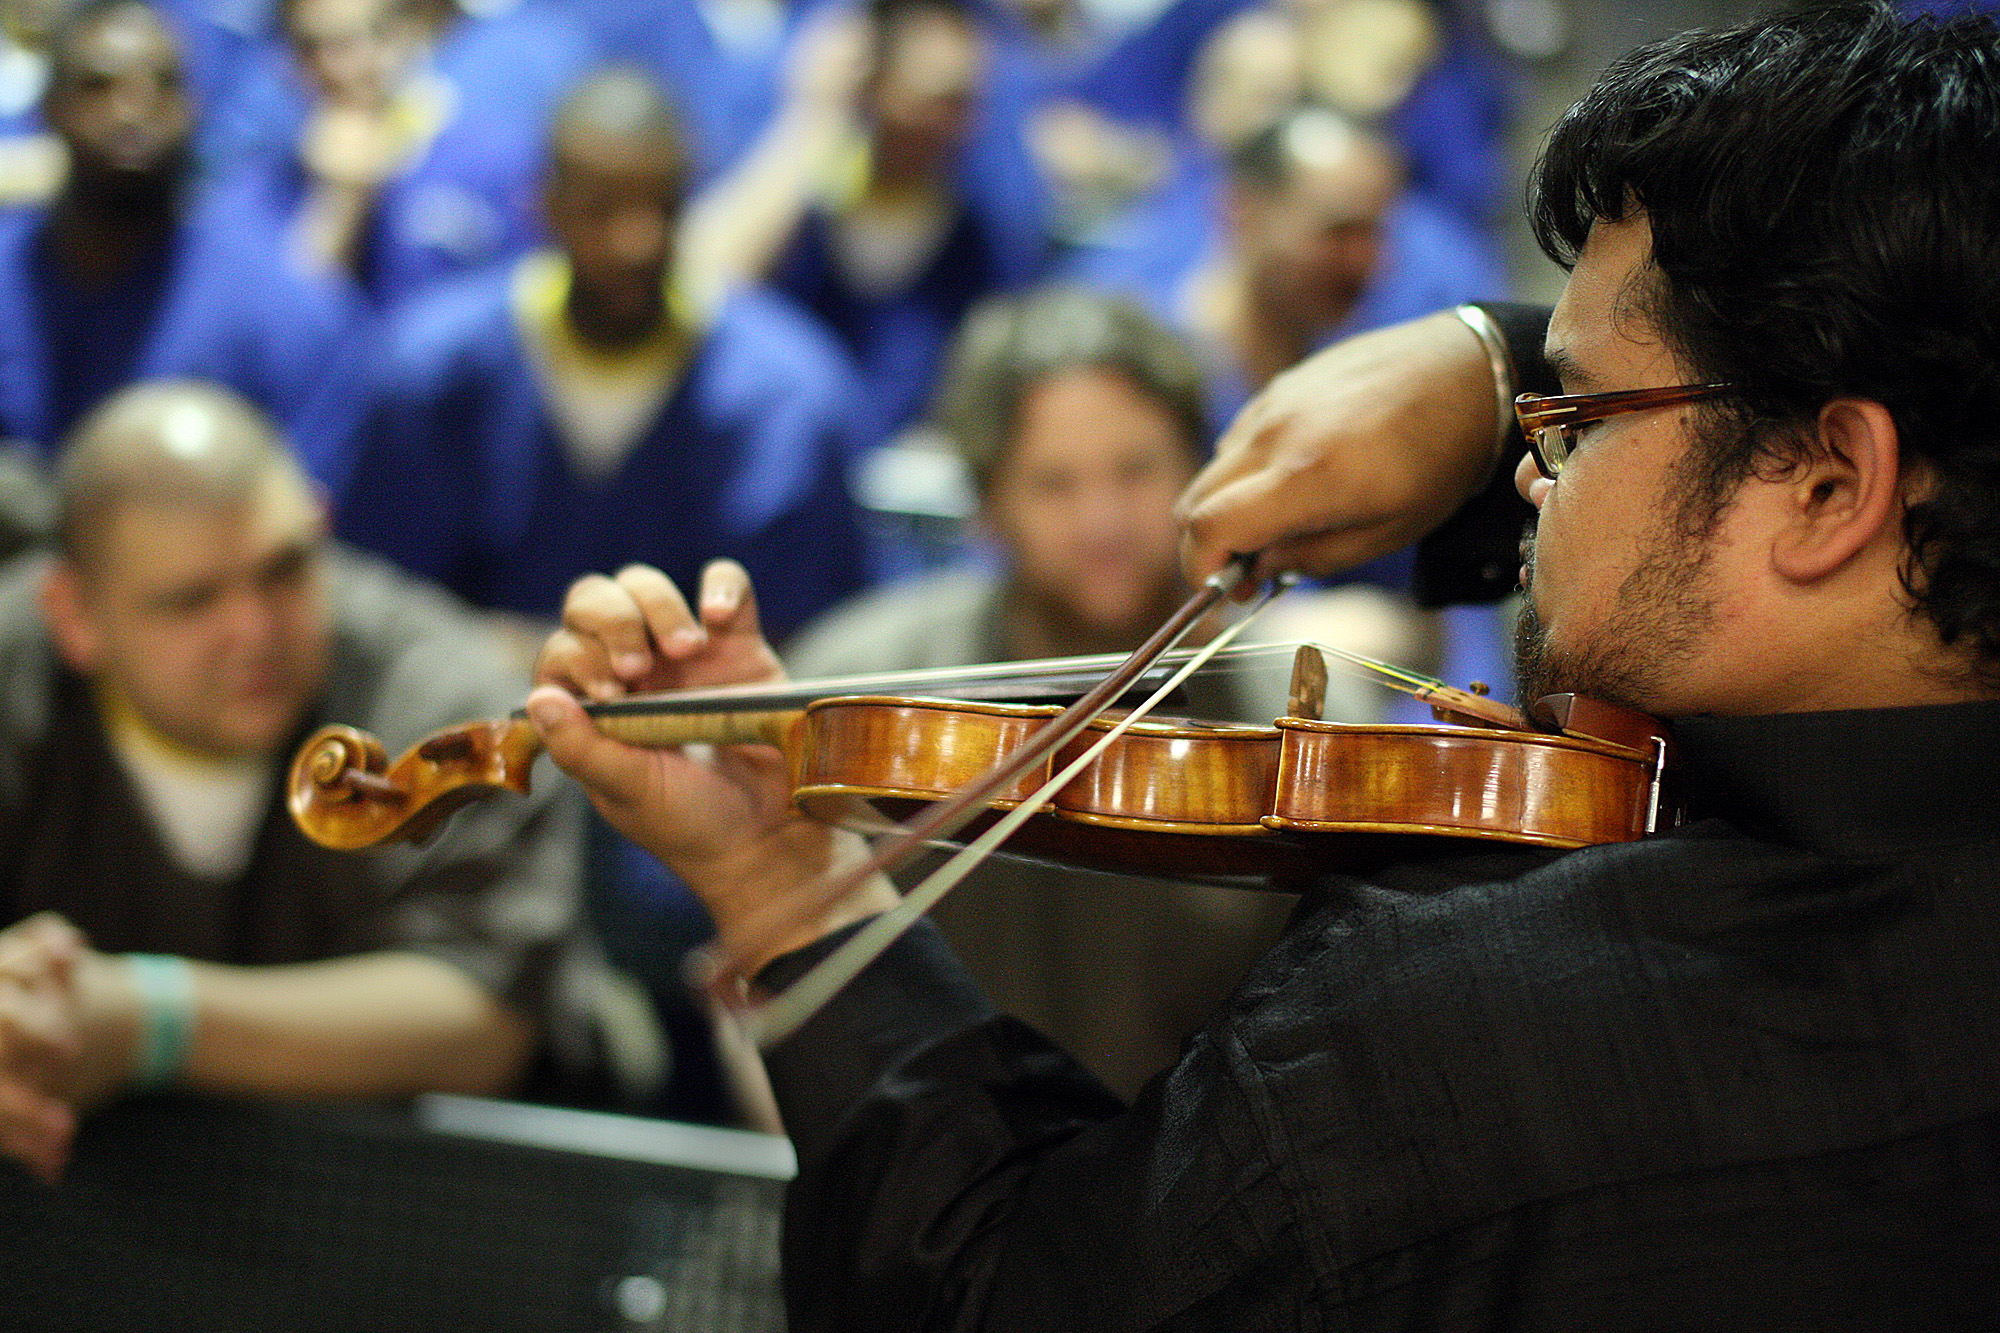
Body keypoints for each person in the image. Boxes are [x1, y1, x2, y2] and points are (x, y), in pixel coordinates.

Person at [522, 3, 2000, 1324]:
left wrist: (785, 888)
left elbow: (986, 1293)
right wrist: (1491, 361)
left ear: (1828, 486)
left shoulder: (1446, 1053)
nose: (1529, 469)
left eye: (1581, 413)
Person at [784, 286, 1423, 1096]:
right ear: (988, 504)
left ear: (1201, 472)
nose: (1104, 522)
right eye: (1054, 484)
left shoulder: (1308, 720)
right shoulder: (859, 682)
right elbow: (778, 977)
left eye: (1135, 470)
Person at [0, 380, 606, 1185]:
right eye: (191, 600)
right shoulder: (14, 677)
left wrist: (150, 1020)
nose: (254, 629)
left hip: (410, 1207)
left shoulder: (445, 699)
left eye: (284, 568)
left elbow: (482, 1017)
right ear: (73, 615)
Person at [319, 66, 867, 644]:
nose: (637, 240)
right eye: (600, 208)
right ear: (544, 204)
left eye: (662, 206)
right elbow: (378, 611)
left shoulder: (785, 395)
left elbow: (808, 646)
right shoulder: (432, 369)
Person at [0, 0, 361, 456]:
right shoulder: (11, 284)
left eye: (162, 85)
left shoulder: (283, 315)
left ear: (195, 108)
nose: (131, 112)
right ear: (48, 107)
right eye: (98, 86)